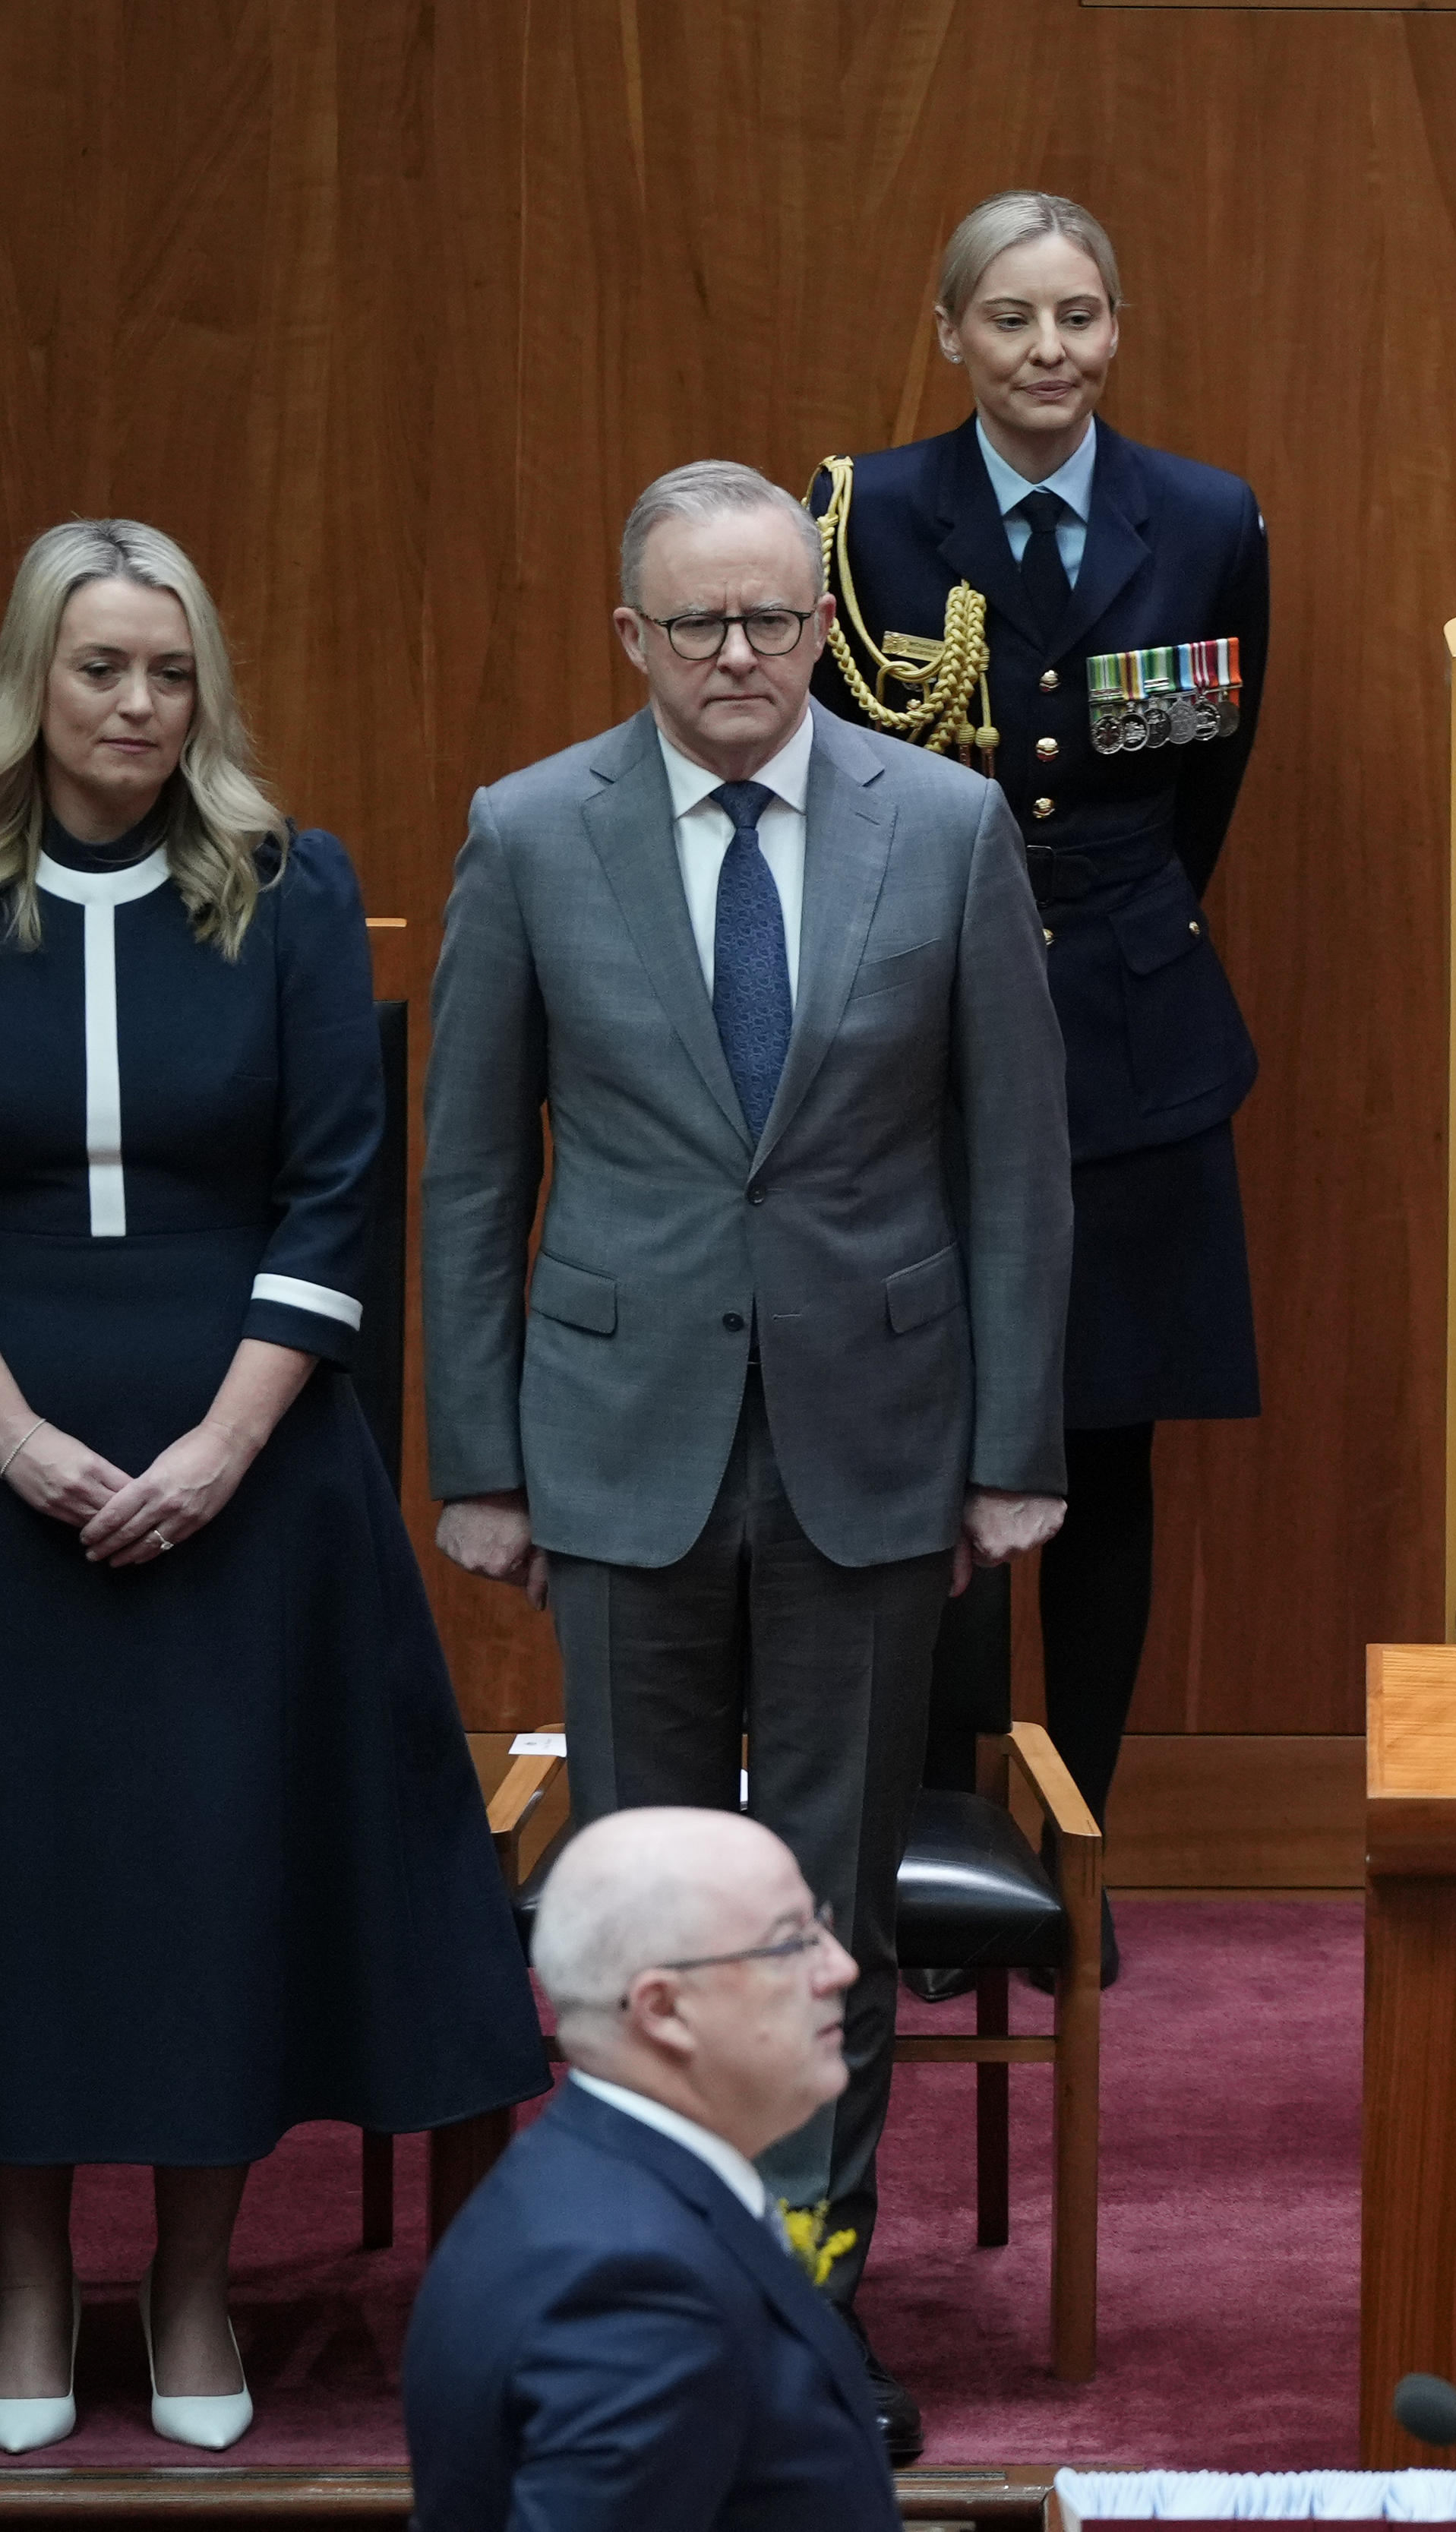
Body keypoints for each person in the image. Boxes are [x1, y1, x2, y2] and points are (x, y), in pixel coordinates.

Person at [421, 460, 1075, 2461]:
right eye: (696, 623)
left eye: (773, 619)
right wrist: (480, 1451)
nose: (737, 656)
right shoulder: (531, 832)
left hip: (875, 1449)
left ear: (824, 621)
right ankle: (655, 2294)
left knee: (826, 1919)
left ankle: (802, 2304)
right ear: (630, 636)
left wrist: (1013, 1446)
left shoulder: (948, 824)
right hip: (617, 1452)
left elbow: (1015, 1158)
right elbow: (464, 1170)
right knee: (640, 1920)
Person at [0, 520, 547, 2458]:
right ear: (34, 685)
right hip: (9, 1462)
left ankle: (207, 2275)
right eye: (101, 671)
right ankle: (34, 2282)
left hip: (256, 1471)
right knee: (36, 1880)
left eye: (170, 673)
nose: (139, 706)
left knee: (223, 1872)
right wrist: (18, 1439)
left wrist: (221, 1450)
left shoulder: (289, 885)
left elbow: (337, 1185)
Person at [810, 191, 1267, 1990]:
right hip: (922, 1021)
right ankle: (936, 1858)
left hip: (1137, 1031)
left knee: (1102, 1451)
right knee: (931, 1455)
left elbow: (1209, 778)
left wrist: (1119, 937)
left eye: (1080, 315)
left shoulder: (1211, 520)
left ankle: (1081, 1854)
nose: (1049, 352)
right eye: (1011, 319)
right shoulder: (857, 517)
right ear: (949, 335)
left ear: (1118, 326)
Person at [405, 1809, 898, 2532]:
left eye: (819, 1923)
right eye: (791, 1941)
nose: (841, 1966)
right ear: (663, 2008)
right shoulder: (637, 2289)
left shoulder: (589, 2171)